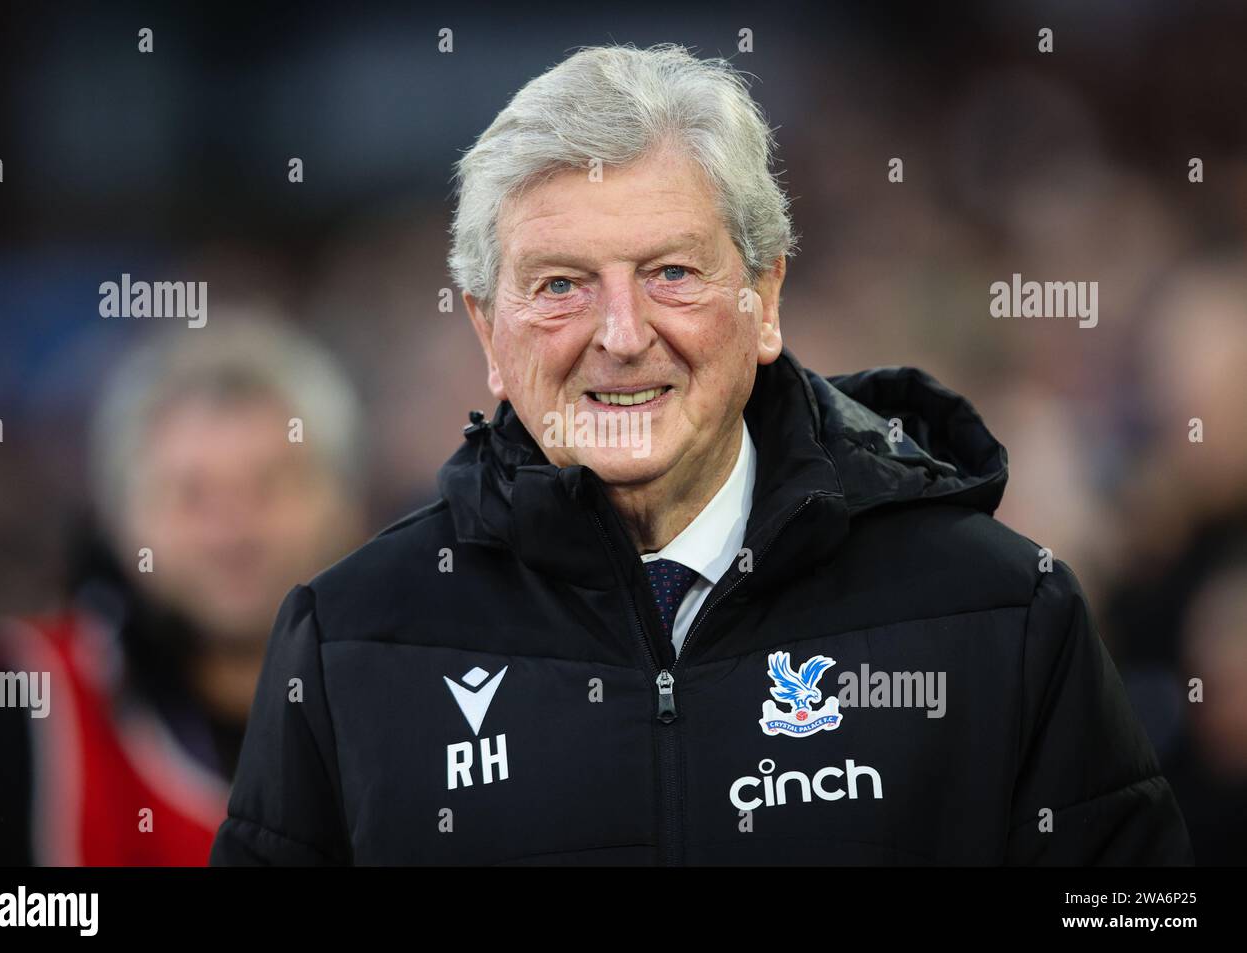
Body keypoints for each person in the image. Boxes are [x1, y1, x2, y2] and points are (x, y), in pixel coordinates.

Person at [210, 44, 1192, 865]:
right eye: (561, 284)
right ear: (485, 330)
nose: (622, 334)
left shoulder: (1002, 612)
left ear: (763, 298)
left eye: (671, 272)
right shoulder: (348, 642)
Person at [0, 316, 364, 865]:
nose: (233, 529)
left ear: (346, 507)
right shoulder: (12, 701)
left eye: (271, 484)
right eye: (190, 494)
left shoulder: (423, 707)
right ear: (122, 521)